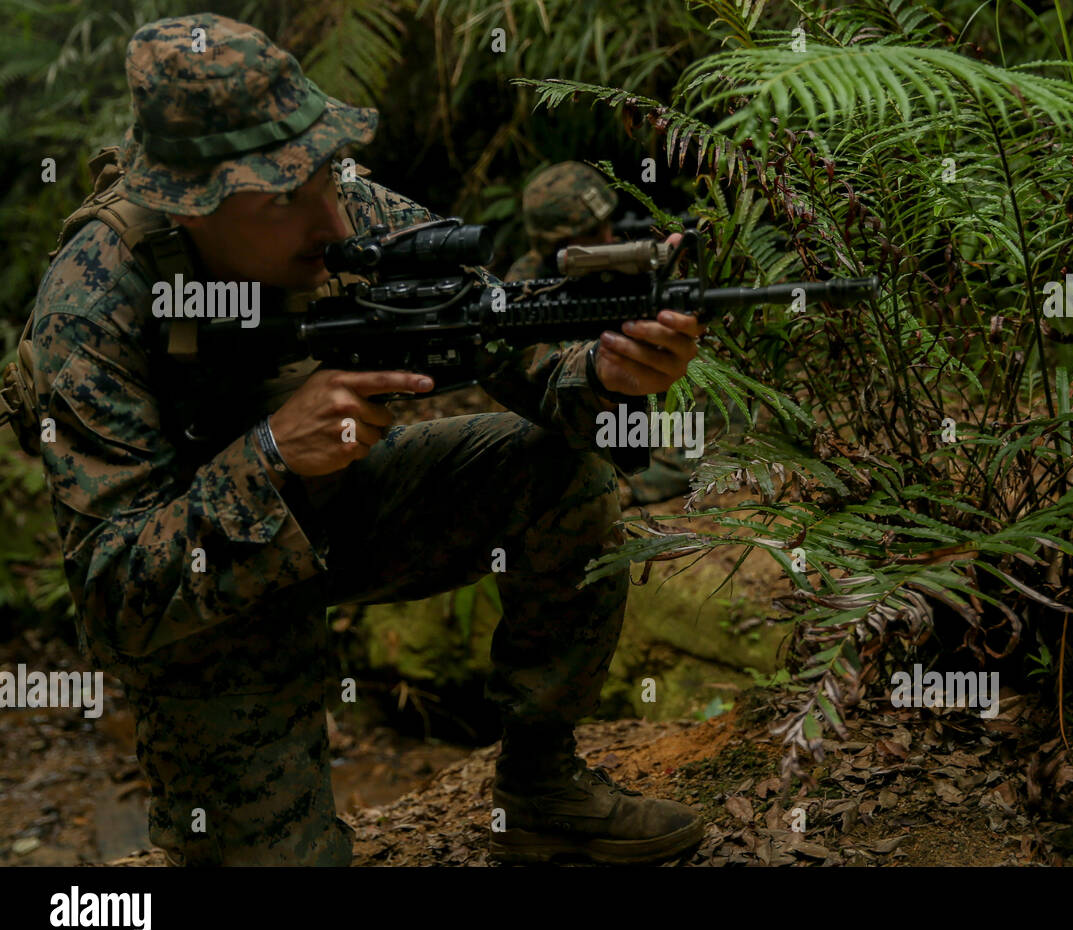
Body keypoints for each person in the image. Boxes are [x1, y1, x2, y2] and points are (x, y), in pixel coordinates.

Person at [27, 14, 705, 866]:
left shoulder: (344, 209)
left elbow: (520, 344)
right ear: (190, 202)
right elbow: (113, 595)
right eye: (283, 195)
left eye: (322, 174)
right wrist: (269, 456)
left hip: (344, 514)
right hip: (207, 601)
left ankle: (542, 789)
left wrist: (610, 375)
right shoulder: (93, 303)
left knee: (554, 468)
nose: (335, 225)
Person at [507, 162, 704, 506]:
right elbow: (534, 390)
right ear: (558, 243)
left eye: (606, 226)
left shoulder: (622, 264)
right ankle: (626, 486)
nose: (609, 239)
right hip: (578, 433)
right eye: (592, 234)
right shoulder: (524, 289)